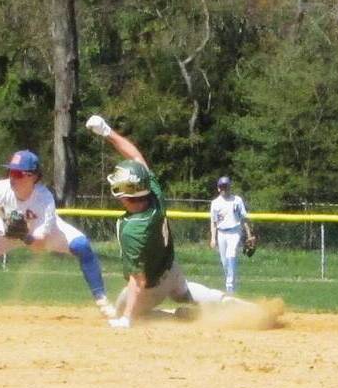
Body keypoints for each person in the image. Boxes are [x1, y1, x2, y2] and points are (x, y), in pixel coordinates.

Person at [84, 115, 253, 328]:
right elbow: (135, 156)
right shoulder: (154, 195)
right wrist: (107, 131)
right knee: (184, 292)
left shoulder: (134, 228)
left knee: (123, 309)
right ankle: (227, 303)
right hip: (172, 270)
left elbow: (138, 279)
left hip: (151, 287)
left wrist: (126, 318)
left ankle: (173, 316)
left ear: (126, 195)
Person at [0, 150, 115, 319]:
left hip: (43, 233)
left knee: (82, 245)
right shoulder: (0, 189)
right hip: (5, 230)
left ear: (33, 176)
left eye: (18, 174)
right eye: (11, 172)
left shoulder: (44, 198)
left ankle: (102, 302)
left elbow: (39, 245)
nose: (12, 177)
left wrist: (25, 236)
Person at [208, 176, 255, 295]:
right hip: (221, 233)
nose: (224, 189)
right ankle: (231, 284)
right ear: (218, 188)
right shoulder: (215, 203)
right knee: (225, 262)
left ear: (230, 187)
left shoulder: (237, 200)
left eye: (226, 186)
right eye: (222, 187)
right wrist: (213, 238)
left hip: (235, 232)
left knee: (231, 255)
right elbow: (213, 222)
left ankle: (230, 289)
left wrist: (249, 235)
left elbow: (243, 219)